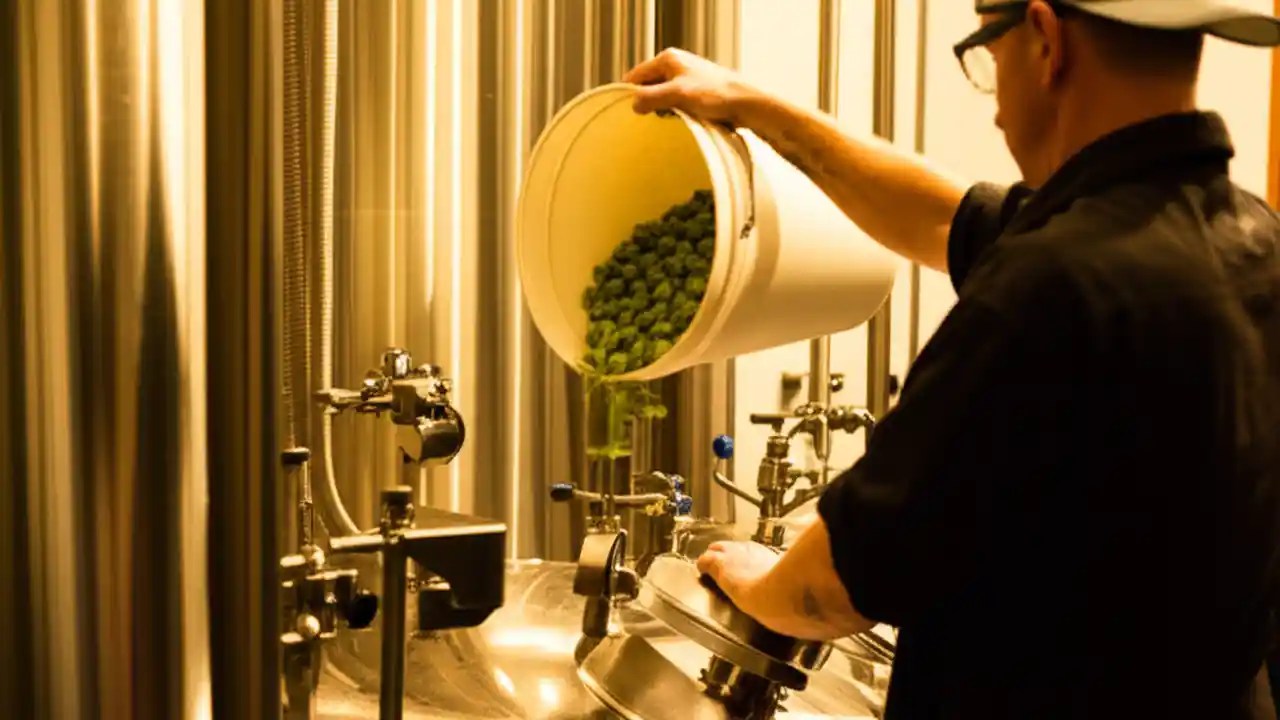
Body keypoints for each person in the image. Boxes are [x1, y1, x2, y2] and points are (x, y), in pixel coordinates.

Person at [623, 1, 1280, 718]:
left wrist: (762, 582)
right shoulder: (1251, 242)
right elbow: (944, 216)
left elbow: (834, 589)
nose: (996, 113)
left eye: (989, 58)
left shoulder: (1049, 285)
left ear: (1046, 42)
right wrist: (754, 107)